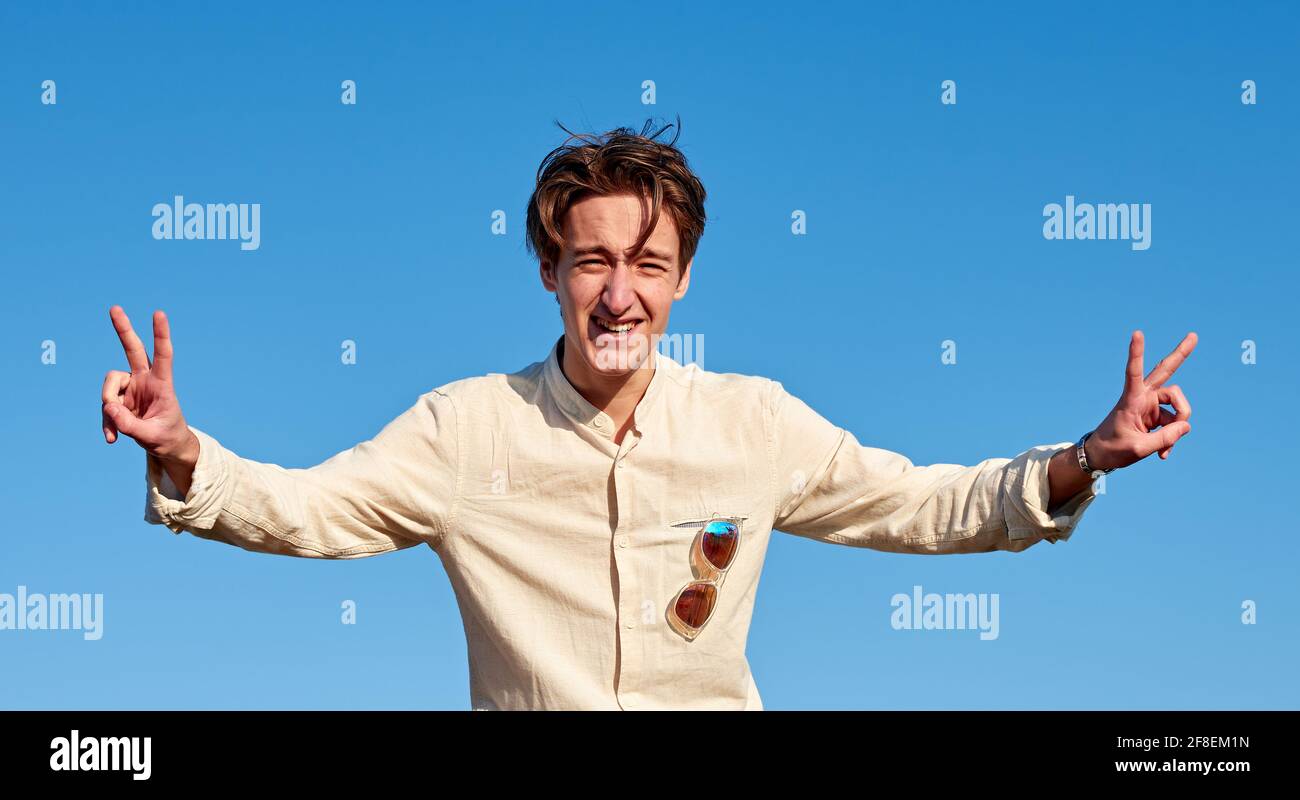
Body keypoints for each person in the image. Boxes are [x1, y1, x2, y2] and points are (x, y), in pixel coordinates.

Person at [101, 119, 1196, 710]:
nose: (618, 290)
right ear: (549, 272)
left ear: (680, 280)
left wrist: (1082, 456)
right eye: (591, 260)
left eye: (646, 262)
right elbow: (310, 508)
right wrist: (186, 449)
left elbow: (923, 503)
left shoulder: (753, 423)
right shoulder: (462, 429)